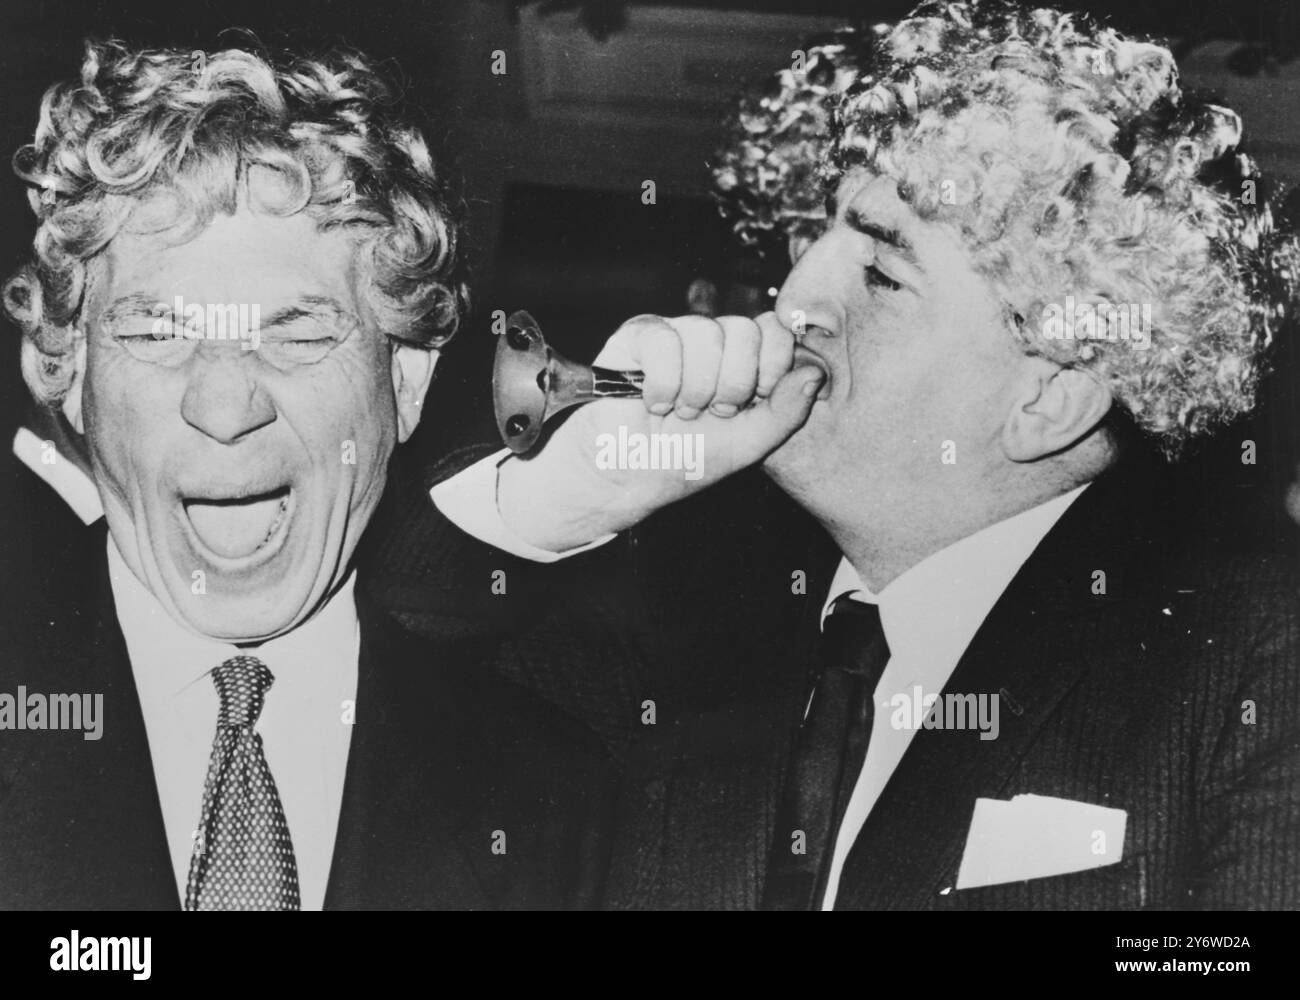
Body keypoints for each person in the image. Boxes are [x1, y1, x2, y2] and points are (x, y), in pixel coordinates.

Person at [487, 0, 1300, 909]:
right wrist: (552, 502)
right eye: (813, 238)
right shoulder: (669, 625)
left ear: (1048, 399)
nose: (796, 298)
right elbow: (389, 698)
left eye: (881, 273)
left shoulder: (1255, 658)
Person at [0, 39, 615, 910]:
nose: (225, 406)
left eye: (295, 335)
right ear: (66, 370)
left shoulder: (560, 797)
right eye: (155, 333)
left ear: (404, 380)